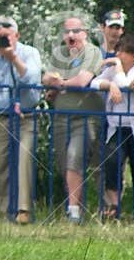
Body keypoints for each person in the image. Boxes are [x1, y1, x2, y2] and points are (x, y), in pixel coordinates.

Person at [0, 16, 42, 223]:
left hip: (26, 115)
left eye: (7, 36)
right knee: (0, 163)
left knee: (24, 158)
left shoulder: (30, 53)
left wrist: (13, 57)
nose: (3, 40)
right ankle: (7, 211)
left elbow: (30, 78)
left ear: (17, 35)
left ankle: (24, 210)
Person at [43, 16, 103, 222]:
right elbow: (46, 77)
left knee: (74, 158)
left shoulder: (92, 52)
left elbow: (82, 81)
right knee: (64, 164)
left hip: (85, 118)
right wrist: (56, 82)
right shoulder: (59, 53)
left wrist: (59, 82)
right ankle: (76, 206)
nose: (71, 35)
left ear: (85, 33)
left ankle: (74, 211)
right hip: (61, 117)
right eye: (67, 31)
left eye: (76, 31)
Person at [98, 32, 134, 220]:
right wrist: (109, 85)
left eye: (123, 51)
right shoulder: (112, 72)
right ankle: (113, 206)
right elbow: (94, 82)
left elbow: (127, 84)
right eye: (118, 51)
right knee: (112, 161)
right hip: (118, 126)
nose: (118, 55)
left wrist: (117, 74)